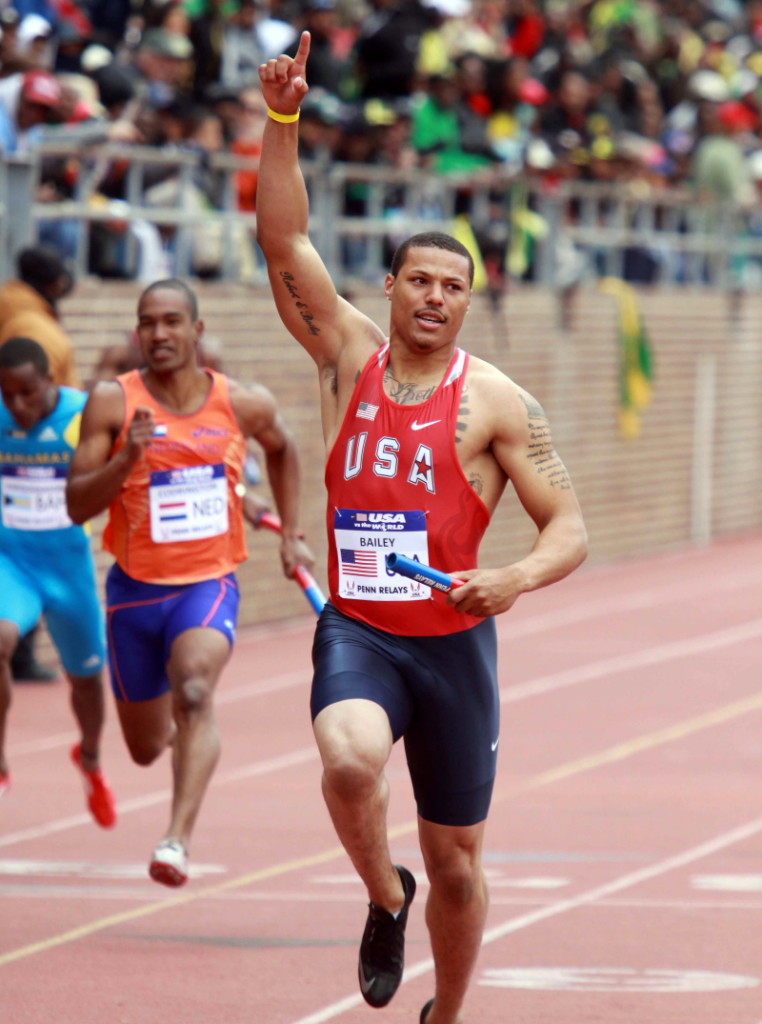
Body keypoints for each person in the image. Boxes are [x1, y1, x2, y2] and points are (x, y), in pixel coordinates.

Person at [257, 33, 588, 1024]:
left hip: (455, 647)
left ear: (467, 301)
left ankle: (446, 1009)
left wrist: (514, 578)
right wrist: (282, 121)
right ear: (393, 288)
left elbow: (568, 524)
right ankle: (381, 893)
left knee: (459, 859)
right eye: (420, 282)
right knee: (349, 758)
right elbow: (285, 244)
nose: (435, 298)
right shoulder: (345, 357)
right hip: (361, 628)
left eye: (453, 287)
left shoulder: (494, 402)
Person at [65, 278, 314, 888]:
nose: (159, 334)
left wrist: (290, 532)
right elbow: (74, 506)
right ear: (137, 333)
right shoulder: (110, 403)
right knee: (147, 748)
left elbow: (283, 449)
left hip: (207, 584)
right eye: (148, 323)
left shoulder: (240, 403)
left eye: (172, 321)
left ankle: (175, 839)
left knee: (197, 688)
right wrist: (126, 460)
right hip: (133, 593)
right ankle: (187, 738)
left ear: (196, 331)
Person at [0, 337, 117, 825]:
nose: (18, 405)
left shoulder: (82, 415)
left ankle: (89, 759)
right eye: (8, 395)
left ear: (50, 381)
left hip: (69, 570)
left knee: (87, 682)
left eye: (28, 393)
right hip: (13, 564)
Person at [0, 244, 83, 683]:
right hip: (32, 455)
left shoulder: (12, 306)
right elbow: (41, 401)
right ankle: (23, 657)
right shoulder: (38, 329)